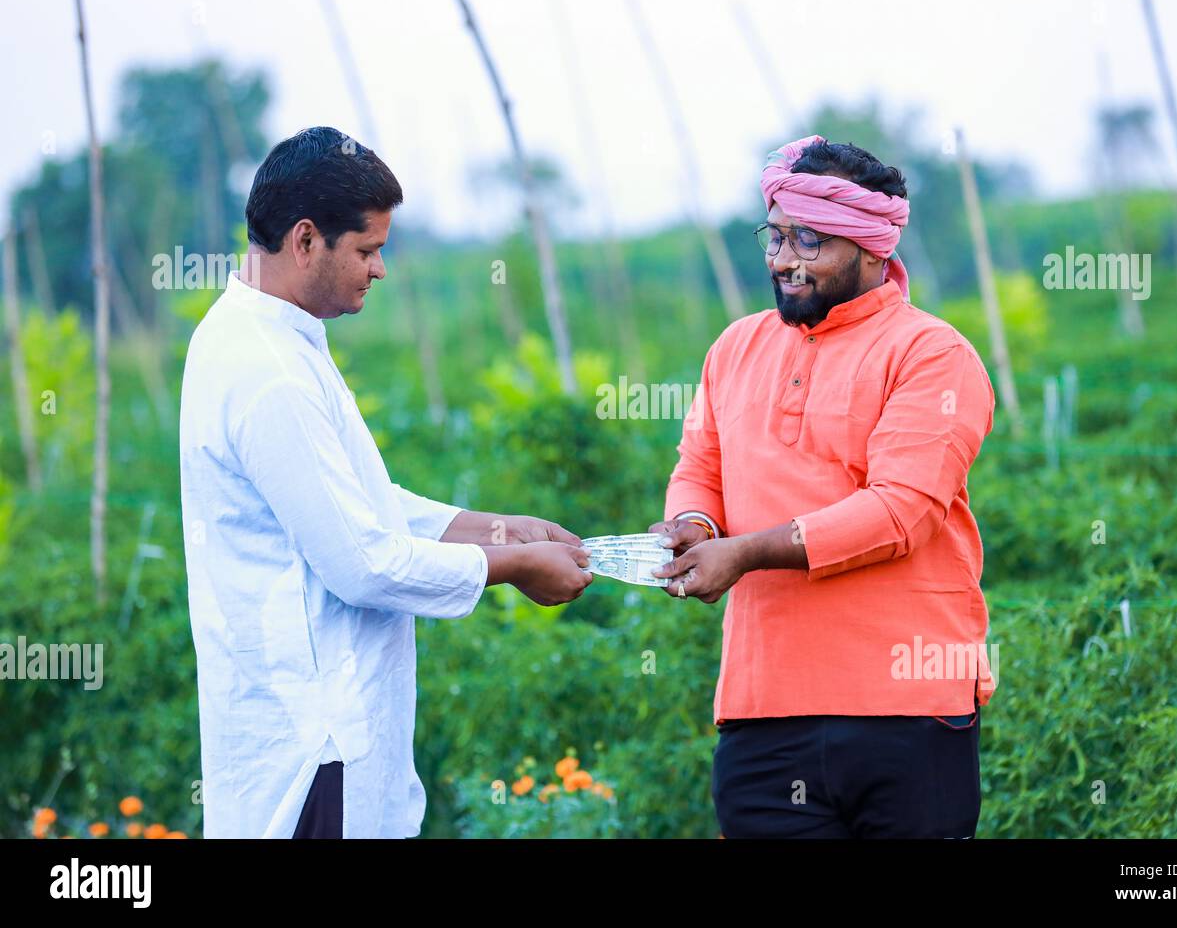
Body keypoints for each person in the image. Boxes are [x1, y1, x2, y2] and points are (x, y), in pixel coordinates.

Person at [179, 126, 592, 838]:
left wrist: (501, 528)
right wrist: (515, 564)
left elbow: (360, 507)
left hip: (328, 738)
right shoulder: (266, 369)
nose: (380, 270)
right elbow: (361, 564)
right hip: (313, 749)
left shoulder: (278, 338)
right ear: (306, 241)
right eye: (367, 251)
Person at [650, 135, 997, 838]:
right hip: (762, 710)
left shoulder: (932, 354)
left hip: (908, 706)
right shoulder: (736, 347)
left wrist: (743, 554)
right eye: (775, 237)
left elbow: (899, 513)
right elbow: (699, 469)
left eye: (810, 242)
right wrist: (697, 525)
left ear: (872, 249)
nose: (783, 259)